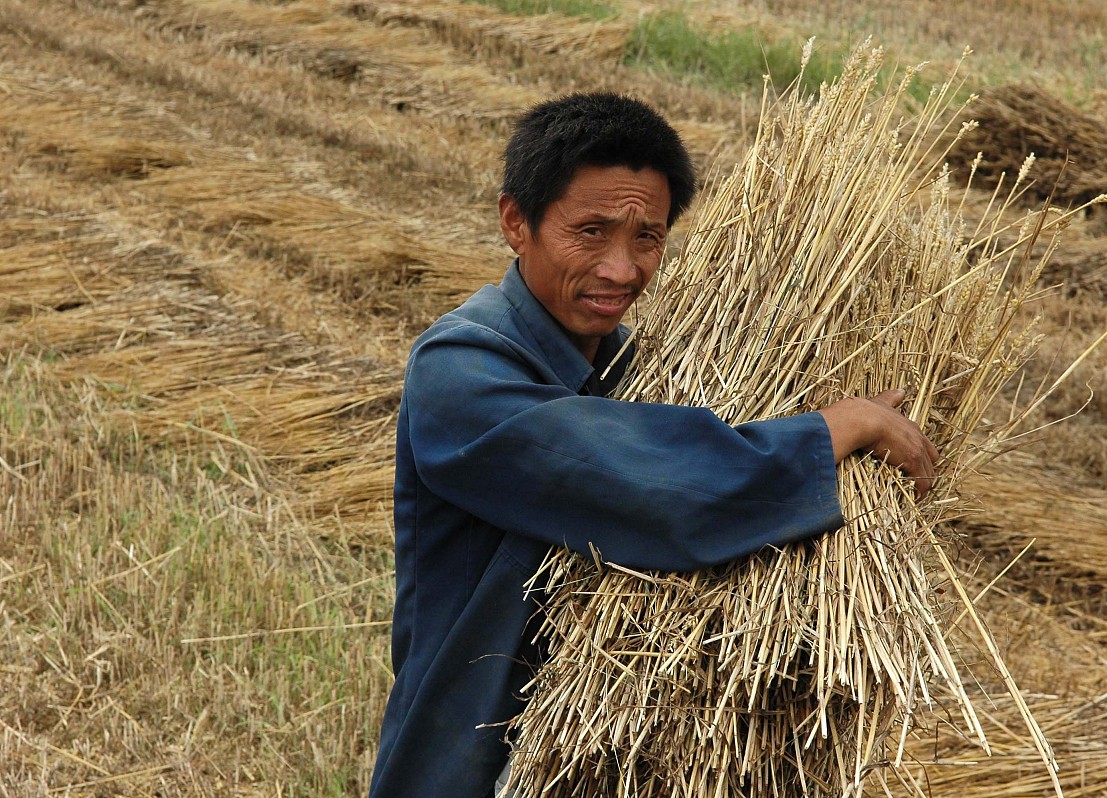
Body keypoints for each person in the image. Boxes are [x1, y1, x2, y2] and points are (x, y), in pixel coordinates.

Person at [368, 91, 938, 798]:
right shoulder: (461, 370)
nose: (622, 269)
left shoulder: (634, 366)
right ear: (517, 222)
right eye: (591, 232)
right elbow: (643, 479)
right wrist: (832, 431)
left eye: (648, 237)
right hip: (474, 756)